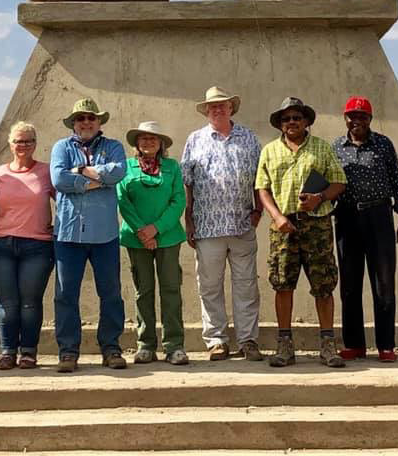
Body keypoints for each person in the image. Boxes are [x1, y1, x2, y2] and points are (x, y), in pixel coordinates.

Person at [255, 97, 347, 368]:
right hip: (283, 225)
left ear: (306, 121)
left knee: (323, 285)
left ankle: (328, 346)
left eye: (297, 117)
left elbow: (338, 181)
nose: (292, 122)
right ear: (280, 125)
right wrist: (277, 216)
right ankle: (285, 346)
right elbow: (262, 188)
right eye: (286, 119)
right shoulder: (269, 151)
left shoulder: (322, 148)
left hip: (316, 224)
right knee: (283, 284)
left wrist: (319, 197)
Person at [181, 86, 264, 362]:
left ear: (231, 108)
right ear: (206, 111)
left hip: (242, 224)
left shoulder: (249, 138)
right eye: (212, 106)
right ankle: (216, 340)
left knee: (246, 286)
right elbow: (188, 184)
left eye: (222, 105)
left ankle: (248, 340)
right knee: (209, 286)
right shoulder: (194, 140)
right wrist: (189, 218)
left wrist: (259, 209)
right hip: (207, 226)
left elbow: (259, 178)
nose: (217, 109)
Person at [331, 96, 398, 363]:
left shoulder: (383, 144)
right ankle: (354, 344)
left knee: (384, 283)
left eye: (362, 116)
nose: (357, 121)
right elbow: (328, 183)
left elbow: (397, 181)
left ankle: (386, 345)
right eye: (352, 116)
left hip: (379, 217)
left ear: (370, 119)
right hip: (346, 217)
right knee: (350, 285)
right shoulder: (335, 148)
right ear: (345, 118)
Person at [49, 98, 128, 372]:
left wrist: (79, 173)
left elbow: (118, 171)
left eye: (90, 118)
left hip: (105, 235)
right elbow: (58, 179)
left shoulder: (113, 146)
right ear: (74, 123)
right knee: (65, 295)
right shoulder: (61, 147)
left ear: (99, 122)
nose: (86, 122)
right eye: (80, 118)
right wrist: (95, 181)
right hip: (68, 235)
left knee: (111, 293)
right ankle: (68, 352)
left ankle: (111, 348)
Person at [117, 121, 188, 366]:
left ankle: (174, 345)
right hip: (136, 240)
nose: (148, 142)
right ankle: (145, 345)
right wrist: (142, 232)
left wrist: (156, 229)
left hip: (168, 237)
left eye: (153, 139)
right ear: (137, 143)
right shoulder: (126, 167)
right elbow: (122, 200)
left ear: (161, 144)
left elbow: (179, 200)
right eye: (143, 138)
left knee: (170, 289)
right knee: (143, 291)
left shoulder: (172, 167)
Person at [0, 121, 56, 370]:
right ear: (10, 143)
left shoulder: (47, 172)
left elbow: (66, 201)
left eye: (28, 141)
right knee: (7, 302)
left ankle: (28, 351)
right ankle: (7, 351)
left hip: (37, 246)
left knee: (30, 301)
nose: (23, 145)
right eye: (18, 141)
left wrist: (59, 228)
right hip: (2, 245)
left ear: (35, 144)